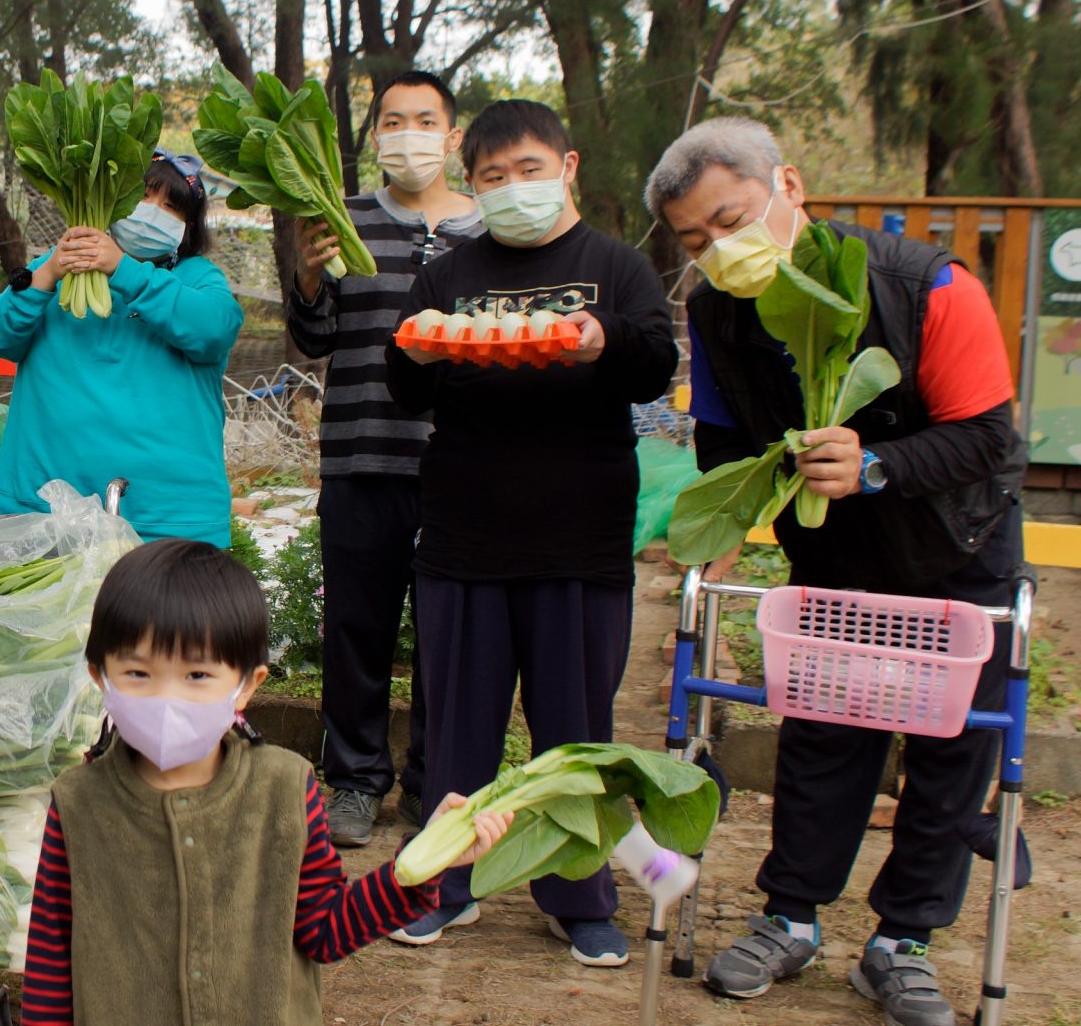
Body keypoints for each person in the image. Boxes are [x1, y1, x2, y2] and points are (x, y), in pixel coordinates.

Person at [645, 117, 1027, 1026]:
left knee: (947, 757)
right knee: (821, 737)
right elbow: (724, 441)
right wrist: (723, 527)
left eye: (732, 221)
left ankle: (903, 943)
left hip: (955, 554)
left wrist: (877, 466)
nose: (719, 250)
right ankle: (791, 916)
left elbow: (986, 436)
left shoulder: (926, 283)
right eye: (695, 241)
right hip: (833, 564)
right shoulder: (716, 308)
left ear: (791, 185)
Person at [383, 100, 679, 962]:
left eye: (528, 171)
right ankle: (449, 884)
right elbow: (408, 391)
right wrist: (419, 354)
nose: (513, 190)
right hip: (464, 535)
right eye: (492, 178)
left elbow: (655, 362)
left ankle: (578, 894)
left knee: (575, 730)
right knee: (457, 728)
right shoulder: (448, 274)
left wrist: (604, 341)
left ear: (568, 165)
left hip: (579, 539)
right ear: (471, 185)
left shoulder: (616, 268)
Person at [18, 538, 512, 1025]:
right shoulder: (79, 802)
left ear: (246, 686)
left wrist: (423, 864)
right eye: (138, 673)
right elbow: (50, 961)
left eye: (196, 676)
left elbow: (325, 930)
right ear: (100, 676)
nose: (166, 698)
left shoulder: (285, 789)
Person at [288, 70, 483, 846]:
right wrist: (307, 275)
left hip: (461, 466)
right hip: (360, 456)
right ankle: (354, 780)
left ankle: (435, 786)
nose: (409, 133)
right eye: (393, 121)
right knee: (356, 630)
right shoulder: (345, 221)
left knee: (448, 633)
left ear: (453, 135)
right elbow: (314, 340)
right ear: (375, 136)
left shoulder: (487, 227)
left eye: (425, 119)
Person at [0, 150, 242, 546]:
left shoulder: (197, 277)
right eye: (143, 197)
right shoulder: (57, 270)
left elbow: (215, 329)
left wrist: (124, 270)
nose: (153, 212)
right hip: (43, 511)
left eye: (172, 207)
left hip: (166, 522)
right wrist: (47, 272)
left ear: (188, 226)